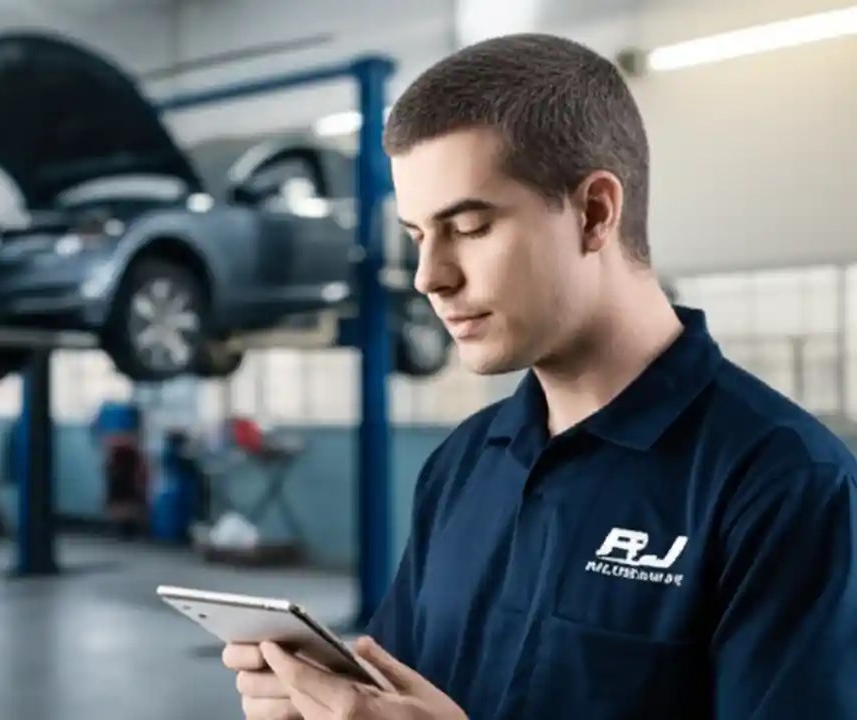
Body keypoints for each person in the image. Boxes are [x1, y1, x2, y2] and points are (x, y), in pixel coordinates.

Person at [222, 33, 857, 720]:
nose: (430, 277)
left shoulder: (784, 486)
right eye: (416, 236)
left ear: (593, 213)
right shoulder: (463, 464)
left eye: (467, 226)